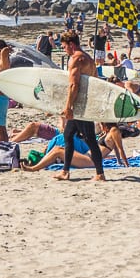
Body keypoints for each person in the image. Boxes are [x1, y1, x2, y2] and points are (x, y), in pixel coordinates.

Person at [52, 30, 105, 181]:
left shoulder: (75, 59)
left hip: (80, 105)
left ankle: (100, 174)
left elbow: (73, 85)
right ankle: (65, 171)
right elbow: (95, 81)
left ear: (71, 44)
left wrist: (68, 107)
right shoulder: (88, 58)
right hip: (86, 102)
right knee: (68, 135)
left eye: (64, 47)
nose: (64, 50)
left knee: (90, 139)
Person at [21, 123, 129, 172]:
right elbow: (115, 148)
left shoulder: (114, 131)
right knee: (58, 149)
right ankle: (36, 165)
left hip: (90, 160)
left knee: (58, 150)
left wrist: (125, 163)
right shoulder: (110, 132)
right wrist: (118, 161)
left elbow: (120, 148)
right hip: (87, 157)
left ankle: (34, 168)